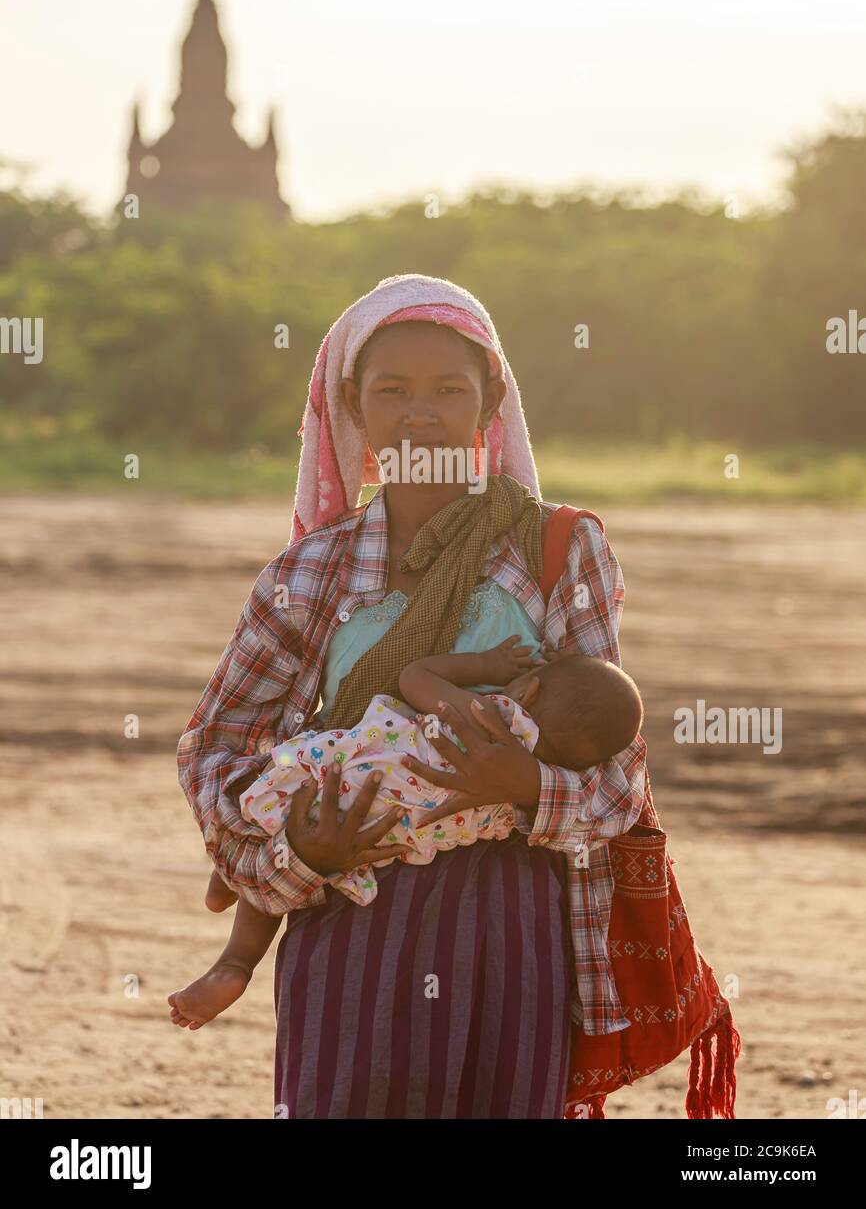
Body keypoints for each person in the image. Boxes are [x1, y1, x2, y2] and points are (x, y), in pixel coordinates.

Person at [174, 272, 649, 1119]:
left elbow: (619, 780)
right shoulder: (309, 572)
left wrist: (526, 788)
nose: (419, 413)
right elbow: (215, 751)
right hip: (348, 912)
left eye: (447, 390)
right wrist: (297, 853)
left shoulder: (557, 551)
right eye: (391, 391)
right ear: (351, 404)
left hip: (512, 920)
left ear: (490, 398)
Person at [167, 639, 644, 1028]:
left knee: (285, 778)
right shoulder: (527, 778)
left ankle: (232, 883)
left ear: (529, 691)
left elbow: (413, 677)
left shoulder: (486, 713)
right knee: (320, 844)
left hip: (358, 775)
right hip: (398, 831)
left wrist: (486, 663)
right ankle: (237, 961)